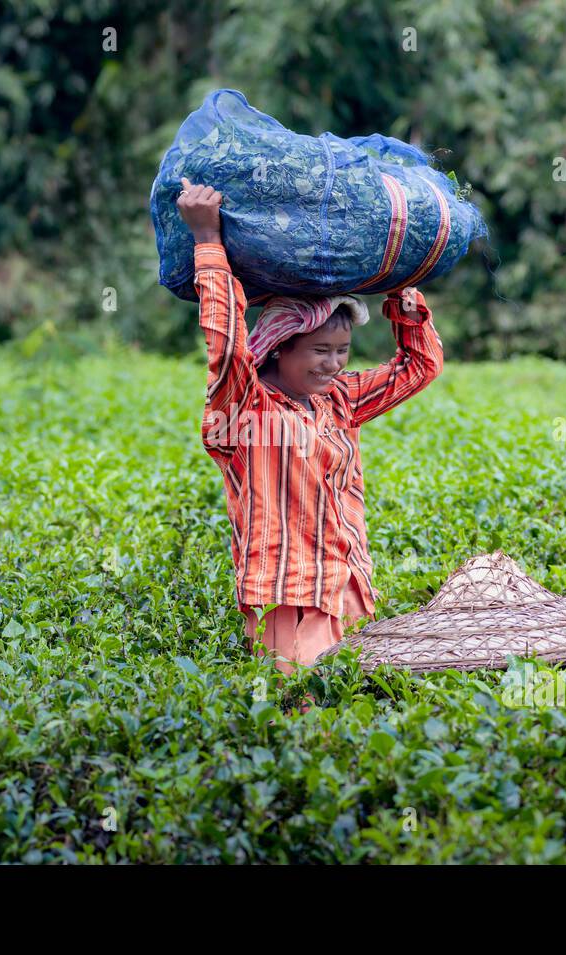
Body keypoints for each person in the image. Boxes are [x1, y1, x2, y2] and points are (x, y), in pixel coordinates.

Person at [177, 177, 444, 682]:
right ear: (279, 344)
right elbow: (227, 346)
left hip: (349, 588)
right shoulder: (243, 408)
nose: (332, 365)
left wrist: (407, 310)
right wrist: (208, 243)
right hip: (288, 594)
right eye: (320, 351)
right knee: (301, 711)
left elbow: (419, 369)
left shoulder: (340, 401)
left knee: (354, 709)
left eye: (341, 351)